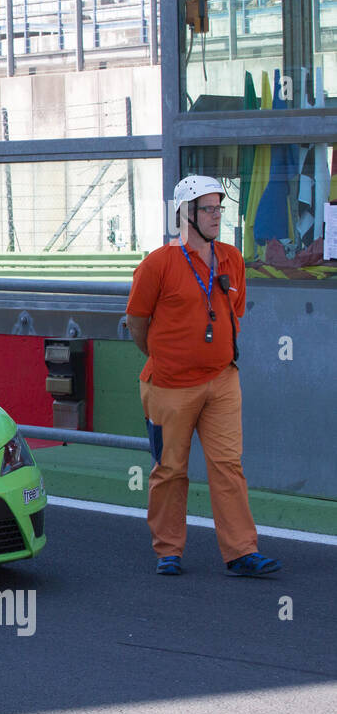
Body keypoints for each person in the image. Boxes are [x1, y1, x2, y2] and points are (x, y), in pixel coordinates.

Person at [125, 175, 278, 577]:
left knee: (228, 465)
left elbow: (236, 311)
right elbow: (136, 321)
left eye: (219, 208)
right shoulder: (158, 263)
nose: (216, 216)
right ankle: (168, 550)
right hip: (170, 385)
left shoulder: (231, 258)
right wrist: (164, 354)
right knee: (171, 468)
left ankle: (242, 550)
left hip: (223, 379)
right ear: (185, 214)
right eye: (208, 209)